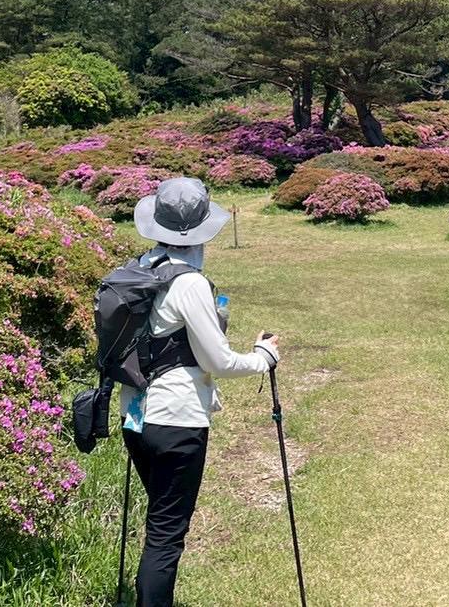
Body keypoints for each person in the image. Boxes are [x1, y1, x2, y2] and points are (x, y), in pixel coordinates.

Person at [120, 176, 281, 607]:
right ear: (200, 233)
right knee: (166, 536)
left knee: (161, 522)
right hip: (177, 422)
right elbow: (219, 361)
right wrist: (263, 357)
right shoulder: (189, 283)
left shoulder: (141, 268)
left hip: (135, 417)